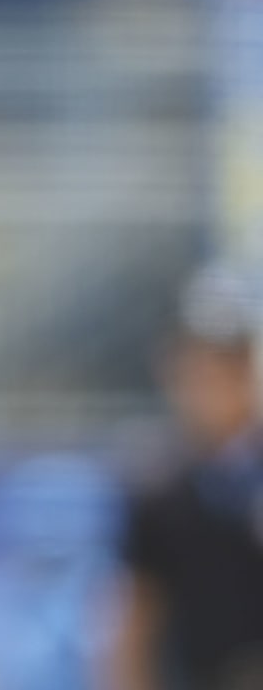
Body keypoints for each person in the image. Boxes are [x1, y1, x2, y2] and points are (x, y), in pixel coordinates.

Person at [108, 258, 263, 690]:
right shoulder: (159, 486)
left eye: (227, 364)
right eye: (197, 366)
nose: (210, 382)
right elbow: (136, 616)